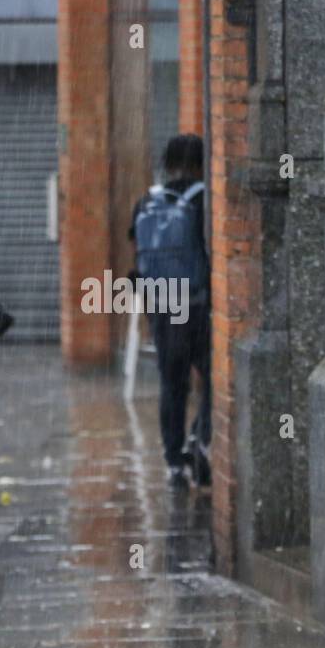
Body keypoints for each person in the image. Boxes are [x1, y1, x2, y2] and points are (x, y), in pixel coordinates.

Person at [130, 134, 211, 488]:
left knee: (172, 384)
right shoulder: (204, 199)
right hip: (197, 307)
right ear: (199, 163)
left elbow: (138, 249)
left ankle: (174, 464)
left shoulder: (147, 199)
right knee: (214, 378)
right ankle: (200, 435)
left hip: (163, 308)